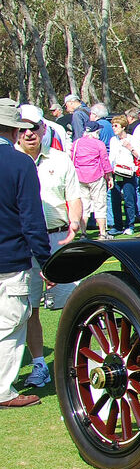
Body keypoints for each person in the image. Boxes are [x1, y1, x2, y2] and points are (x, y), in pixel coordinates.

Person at [15, 107, 83, 388]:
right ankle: (39, 365)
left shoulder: (60, 159)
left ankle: (74, 362)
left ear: (44, 128)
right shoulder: (10, 161)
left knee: (73, 303)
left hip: (58, 239)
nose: (29, 133)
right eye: (23, 129)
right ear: (16, 132)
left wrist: (75, 224)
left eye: (34, 127)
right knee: (28, 308)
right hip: (23, 242)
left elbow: (74, 196)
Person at [0, 98, 50, 408]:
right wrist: (46, 261)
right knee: (9, 326)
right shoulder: (20, 164)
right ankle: (3, 391)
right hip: (9, 259)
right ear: (14, 130)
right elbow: (32, 218)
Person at [72, 120, 114, 239]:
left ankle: (83, 233)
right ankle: (102, 233)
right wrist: (109, 176)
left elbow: (72, 159)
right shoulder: (99, 144)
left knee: (84, 206)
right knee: (100, 204)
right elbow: (105, 161)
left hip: (80, 176)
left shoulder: (76, 143)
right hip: (96, 176)